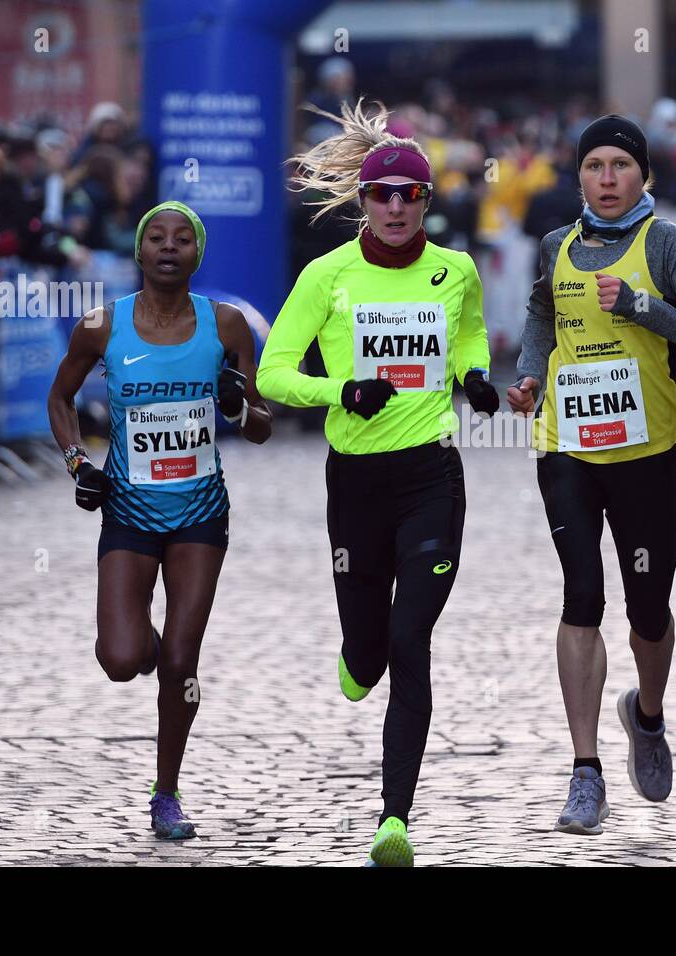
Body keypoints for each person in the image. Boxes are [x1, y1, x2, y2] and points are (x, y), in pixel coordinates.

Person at [256, 99, 498, 867]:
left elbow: (467, 332)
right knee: (368, 648)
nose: (396, 206)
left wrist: (476, 375)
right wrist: (341, 392)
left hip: (431, 476)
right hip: (354, 485)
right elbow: (271, 373)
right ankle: (356, 654)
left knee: (410, 637)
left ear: (427, 201)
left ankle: (394, 820)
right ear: (362, 201)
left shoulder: (453, 270)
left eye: (411, 194)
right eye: (382, 194)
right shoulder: (327, 275)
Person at [507, 114, 676, 835]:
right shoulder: (556, 245)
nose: (607, 179)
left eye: (620, 166)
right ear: (579, 176)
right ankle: (584, 772)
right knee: (581, 595)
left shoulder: (662, 243)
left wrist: (643, 307)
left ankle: (648, 713)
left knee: (648, 611)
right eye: (595, 166)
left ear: (643, 177)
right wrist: (528, 376)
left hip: (646, 452)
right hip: (567, 447)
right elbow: (541, 316)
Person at [47, 200, 273, 840]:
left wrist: (237, 406)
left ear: (198, 254)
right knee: (122, 658)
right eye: (155, 236)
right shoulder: (100, 326)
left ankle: (166, 791)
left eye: (182, 239)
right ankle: (141, 640)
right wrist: (76, 462)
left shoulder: (226, 326)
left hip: (200, 512)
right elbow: (60, 398)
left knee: (180, 660)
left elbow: (261, 426)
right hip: (127, 510)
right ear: (140, 251)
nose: (168, 247)